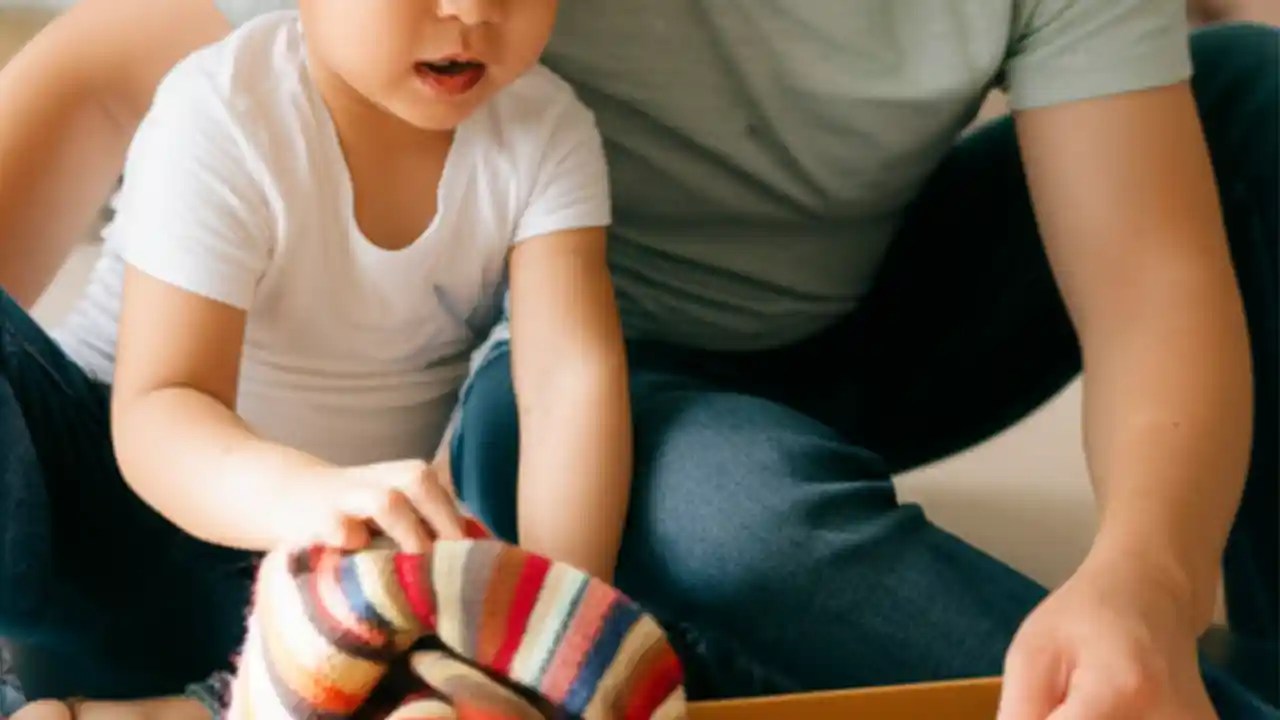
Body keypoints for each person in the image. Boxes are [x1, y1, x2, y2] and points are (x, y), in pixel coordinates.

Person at [0, 0, 1274, 719]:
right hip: (612, 384)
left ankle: (1185, 676)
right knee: (722, 523)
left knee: (1250, 95)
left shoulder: (531, 117)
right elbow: (114, 75)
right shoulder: (269, 89)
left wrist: (1142, 583)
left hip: (840, 310)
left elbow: (1149, 277)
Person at [0, 0, 632, 702]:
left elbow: (565, 387)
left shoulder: (548, 133)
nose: (472, 9)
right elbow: (161, 406)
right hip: (104, 510)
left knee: (440, 656)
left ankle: (206, 705)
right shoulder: (224, 106)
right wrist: (304, 493)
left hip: (321, 581)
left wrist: (553, 644)